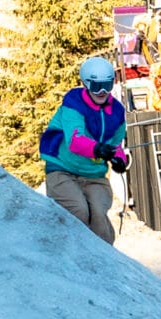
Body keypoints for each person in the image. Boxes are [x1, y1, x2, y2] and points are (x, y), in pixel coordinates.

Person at [39, 57, 129, 244]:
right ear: (86, 84)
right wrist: (97, 149)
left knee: (98, 215)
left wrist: (119, 159)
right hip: (63, 168)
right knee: (78, 210)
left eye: (107, 85)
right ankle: (67, 250)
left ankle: (104, 257)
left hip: (93, 174)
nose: (102, 92)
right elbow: (75, 140)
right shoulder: (74, 103)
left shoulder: (117, 112)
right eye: (97, 86)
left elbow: (116, 144)